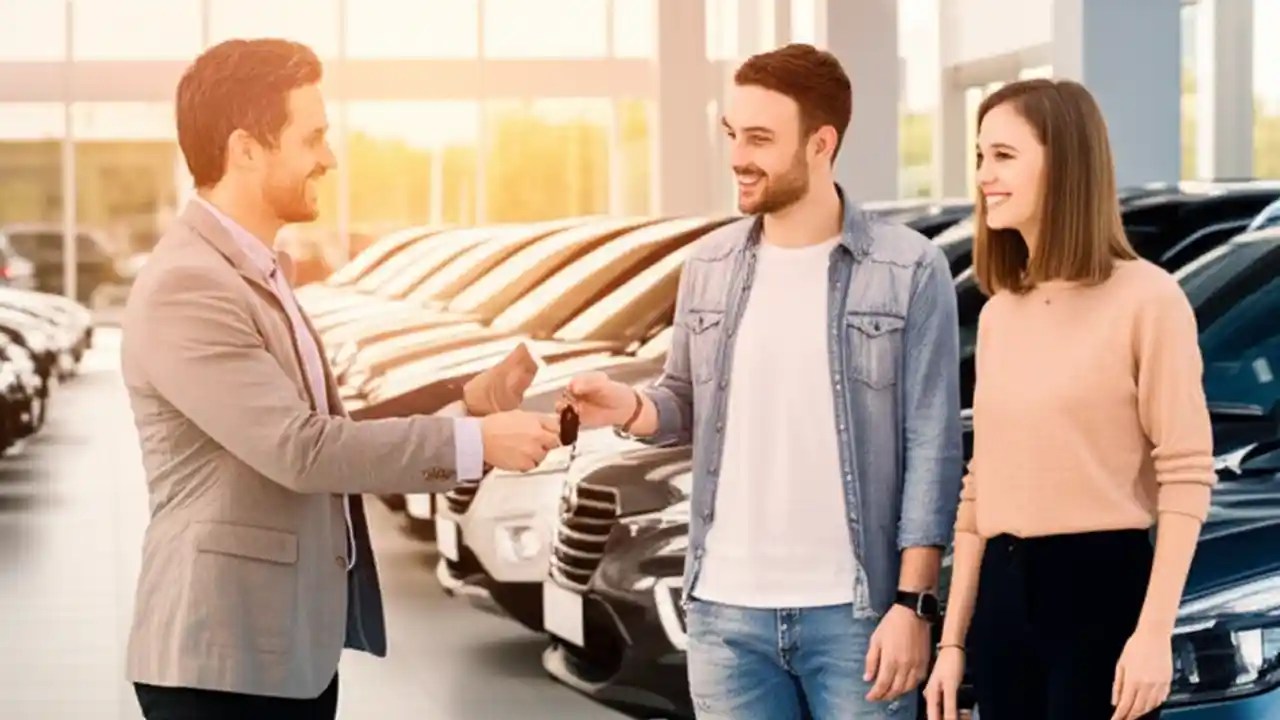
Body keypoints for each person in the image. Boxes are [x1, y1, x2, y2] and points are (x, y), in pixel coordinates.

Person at [120, 39, 560, 719]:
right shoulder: (190, 284)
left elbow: (328, 433)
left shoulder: (256, 269)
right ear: (246, 149)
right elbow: (303, 452)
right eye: (313, 136)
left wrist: (459, 400)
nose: (329, 156)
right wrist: (476, 444)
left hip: (283, 652)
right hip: (222, 663)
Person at [563, 43, 964, 719]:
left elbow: (932, 447)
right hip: (725, 615)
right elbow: (685, 405)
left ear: (820, 142)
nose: (737, 156)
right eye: (731, 134)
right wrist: (628, 406)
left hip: (856, 616)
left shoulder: (907, 268)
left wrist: (913, 605)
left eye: (758, 138)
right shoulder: (710, 266)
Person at [922, 79, 1216, 720]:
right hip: (1003, 601)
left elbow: (1187, 474)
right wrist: (952, 642)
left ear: (1064, 162)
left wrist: (1153, 634)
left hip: (1101, 594)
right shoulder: (1001, 314)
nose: (983, 176)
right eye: (979, 157)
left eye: (1003, 156)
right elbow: (980, 491)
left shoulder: (1149, 298)